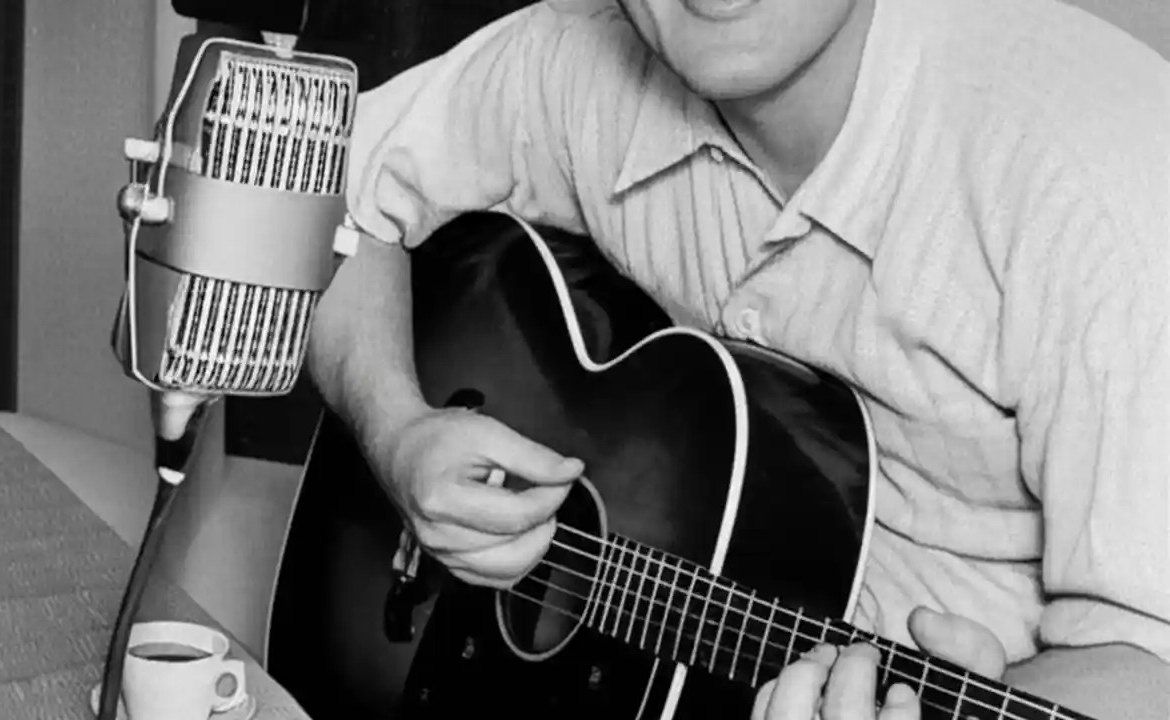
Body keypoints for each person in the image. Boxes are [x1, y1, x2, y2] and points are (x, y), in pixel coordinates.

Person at [309, 0, 1170, 717]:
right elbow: (309, 189)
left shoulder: (1102, 179)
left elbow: (1152, 667)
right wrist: (397, 429)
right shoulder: (587, 65)